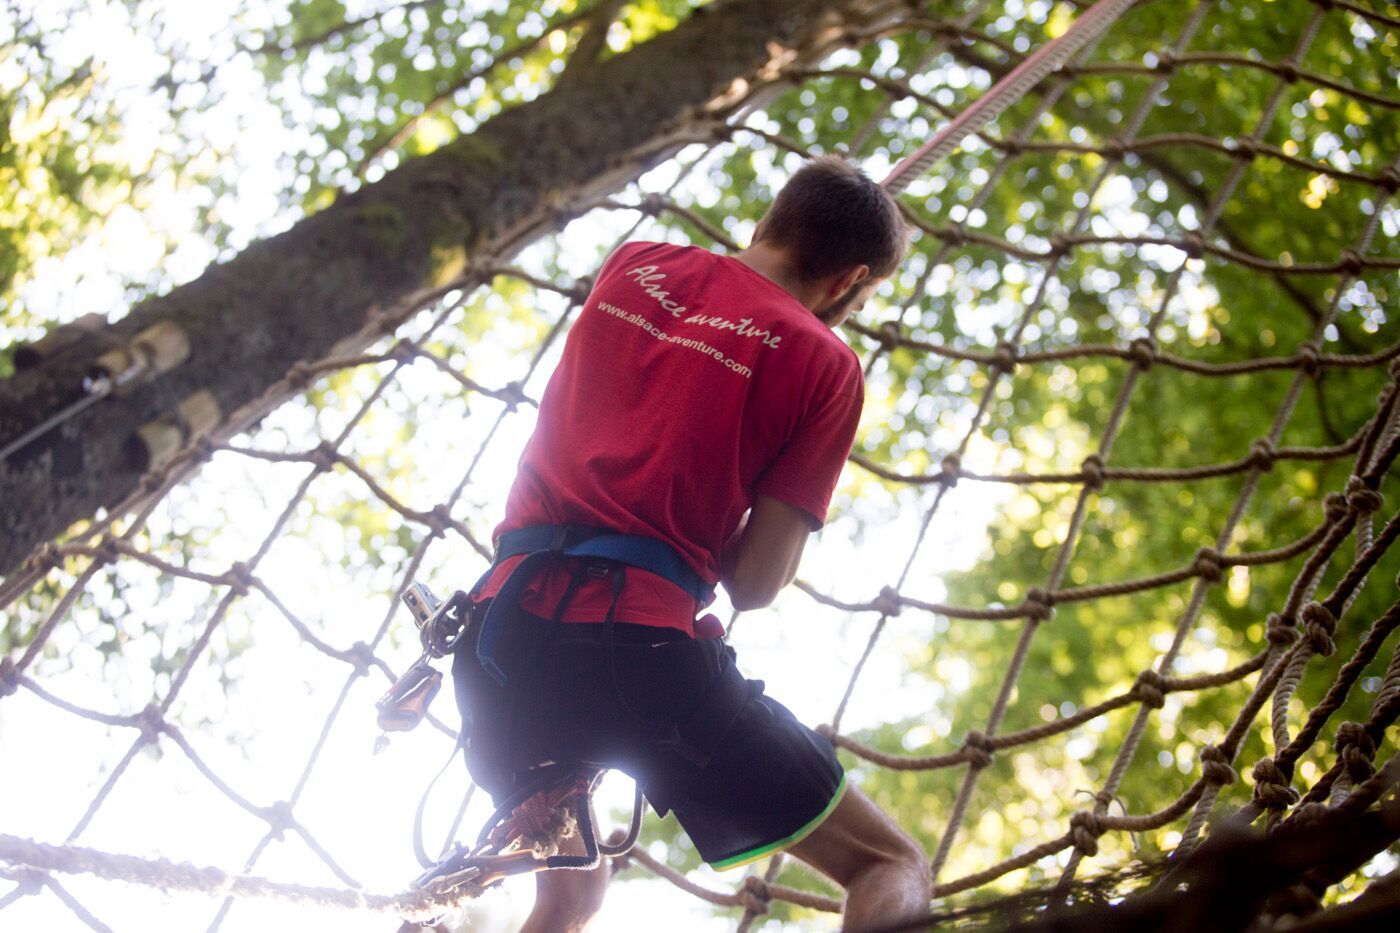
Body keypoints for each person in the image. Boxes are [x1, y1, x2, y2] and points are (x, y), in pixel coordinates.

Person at [451, 155, 929, 931]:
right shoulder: (825, 361)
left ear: (770, 218)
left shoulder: (634, 264)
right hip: (634, 654)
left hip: (498, 649)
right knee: (889, 862)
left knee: (571, 894)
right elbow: (755, 583)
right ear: (850, 282)